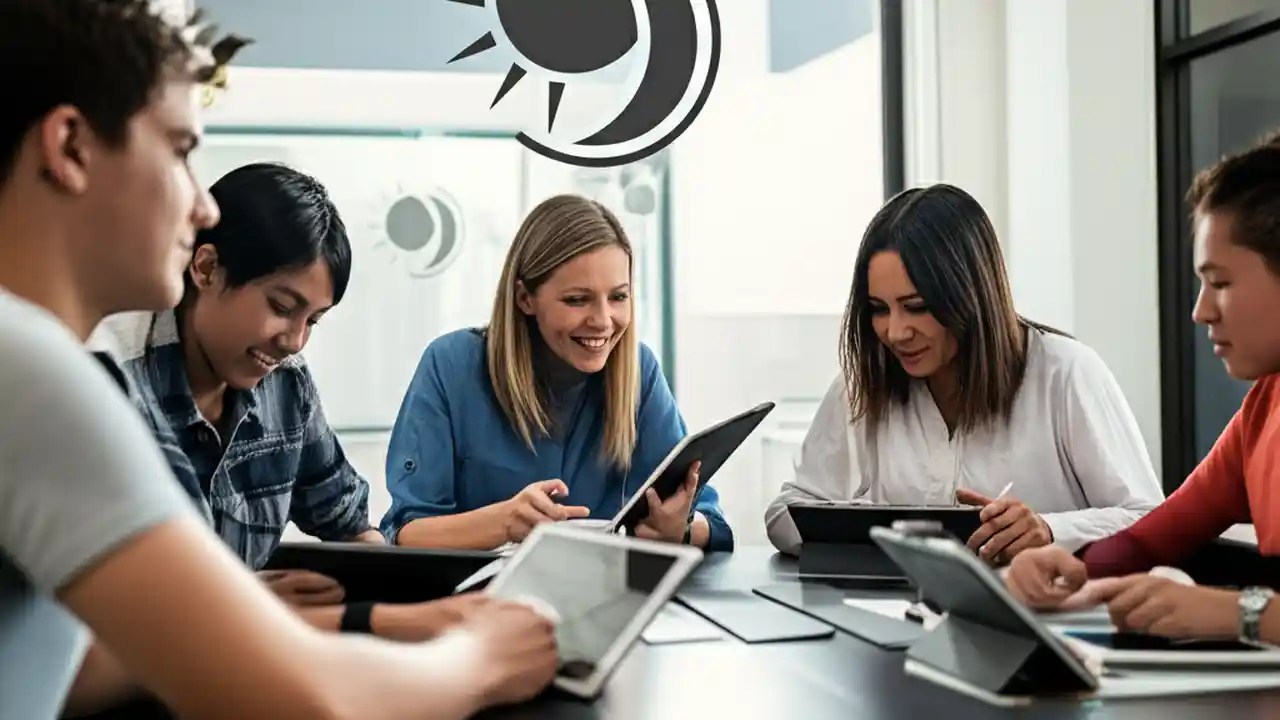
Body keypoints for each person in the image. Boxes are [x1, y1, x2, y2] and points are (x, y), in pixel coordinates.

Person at [0, 2, 554, 718]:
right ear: (70, 146)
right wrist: (482, 652)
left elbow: (68, 666)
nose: (202, 205)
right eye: (178, 150)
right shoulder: (33, 366)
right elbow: (314, 699)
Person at [89, 161, 495, 637]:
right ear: (205, 268)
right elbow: (88, 605)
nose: (295, 341)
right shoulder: (108, 380)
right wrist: (243, 601)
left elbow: (350, 525)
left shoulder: (287, 386)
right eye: (281, 308)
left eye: (313, 321)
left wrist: (388, 589)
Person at [765, 184, 1162, 562]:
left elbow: (1150, 517)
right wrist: (867, 530)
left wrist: (1050, 530)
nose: (896, 332)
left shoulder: (1066, 374)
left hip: (1041, 618)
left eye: (916, 306)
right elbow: (785, 515)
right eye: (879, 309)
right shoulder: (865, 386)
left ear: (968, 294)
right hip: (900, 618)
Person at [1006, 132, 1280, 645]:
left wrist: (1233, 613)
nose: (1201, 310)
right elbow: (1147, 540)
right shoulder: (1264, 409)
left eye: (1220, 283)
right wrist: (1068, 567)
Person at [382, 194, 734, 552]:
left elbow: (710, 520)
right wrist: (503, 522)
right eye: (577, 300)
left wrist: (682, 530)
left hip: (604, 597)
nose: (602, 321)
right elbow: (407, 531)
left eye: (618, 297)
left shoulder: (638, 372)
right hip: (477, 601)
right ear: (525, 298)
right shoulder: (451, 365)